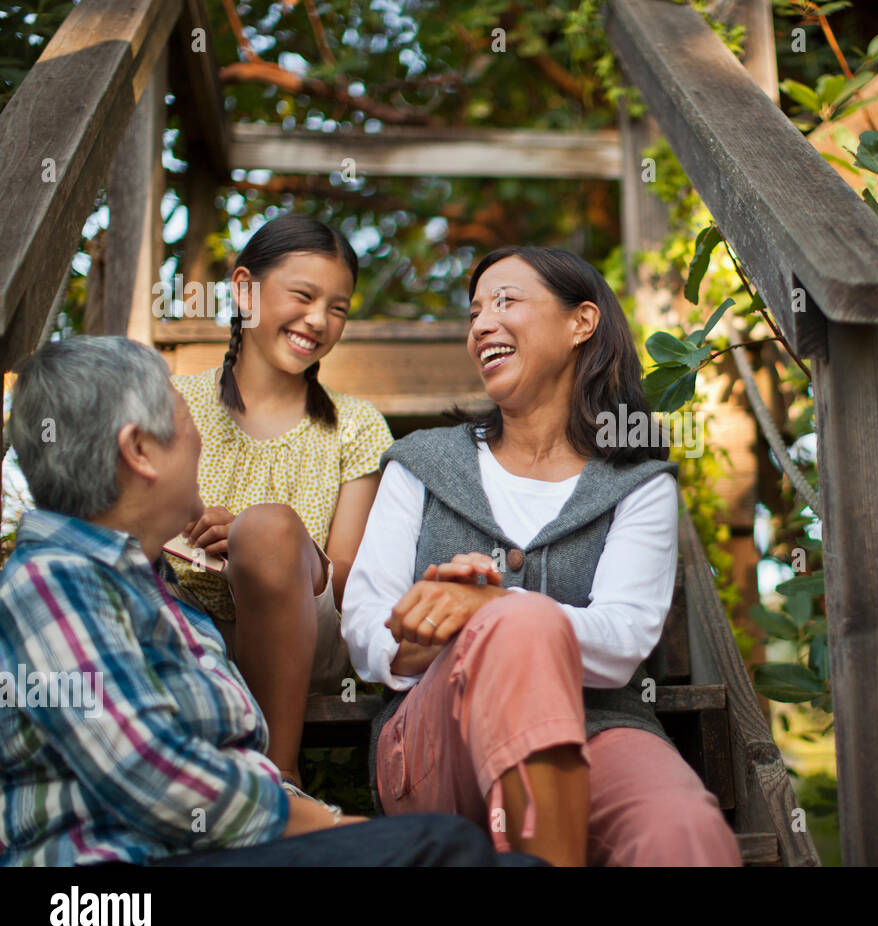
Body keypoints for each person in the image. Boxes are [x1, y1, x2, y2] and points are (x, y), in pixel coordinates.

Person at [0, 335, 539, 866]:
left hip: (201, 848)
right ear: (140, 451)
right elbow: (150, 773)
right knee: (444, 848)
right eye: (184, 417)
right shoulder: (55, 580)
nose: (199, 440)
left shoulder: (150, 585)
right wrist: (334, 827)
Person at [343, 246, 742, 867]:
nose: (480, 325)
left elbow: (625, 638)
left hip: (600, 726)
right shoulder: (420, 464)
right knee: (516, 623)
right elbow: (365, 628)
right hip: (436, 738)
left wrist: (490, 607)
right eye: (474, 312)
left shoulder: (639, 482)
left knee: (681, 830)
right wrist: (434, 631)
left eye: (505, 302)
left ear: (581, 322)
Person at [164, 214, 393, 789]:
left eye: (338, 307)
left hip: (305, 631)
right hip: (184, 616)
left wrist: (267, 543)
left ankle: (277, 778)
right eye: (304, 296)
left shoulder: (357, 426)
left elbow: (347, 582)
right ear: (244, 292)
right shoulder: (171, 403)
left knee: (267, 529)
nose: (319, 320)